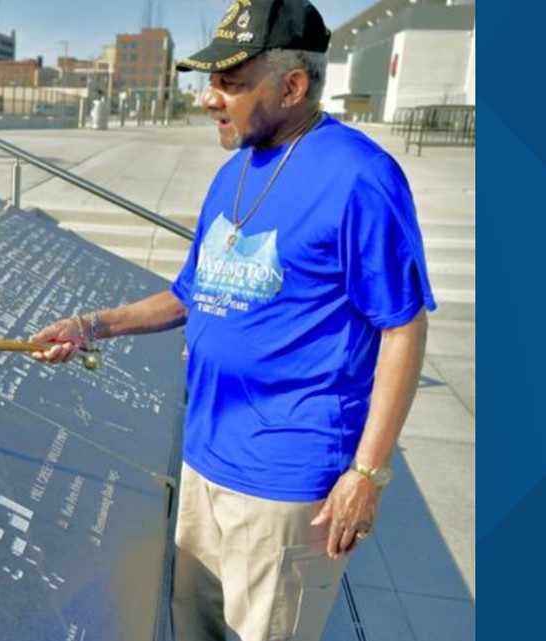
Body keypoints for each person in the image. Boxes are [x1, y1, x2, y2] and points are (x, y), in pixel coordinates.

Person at [30, 0, 436, 639]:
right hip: (204, 461)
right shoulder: (233, 172)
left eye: (230, 83)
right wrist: (91, 326)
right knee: (195, 629)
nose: (209, 99)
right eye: (210, 82)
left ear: (293, 85)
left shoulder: (361, 178)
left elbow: (402, 328)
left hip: (288, 483)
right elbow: (191, 293)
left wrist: (368, 473)